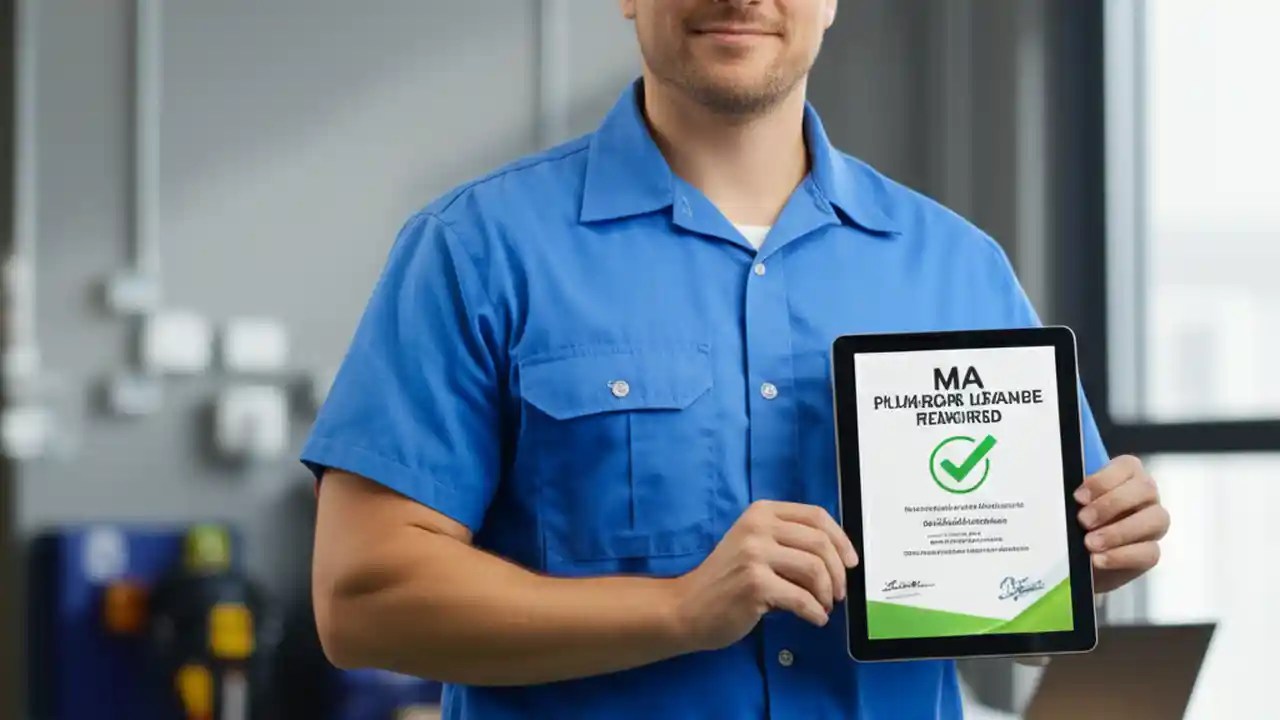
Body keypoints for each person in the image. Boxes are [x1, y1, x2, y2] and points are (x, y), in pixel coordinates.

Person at [302, 1, 1171, 718]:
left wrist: (1078, 564)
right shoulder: (475, 251)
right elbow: (363, 604)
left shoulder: (957, 266)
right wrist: (678, 611)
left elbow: (1010, 615)